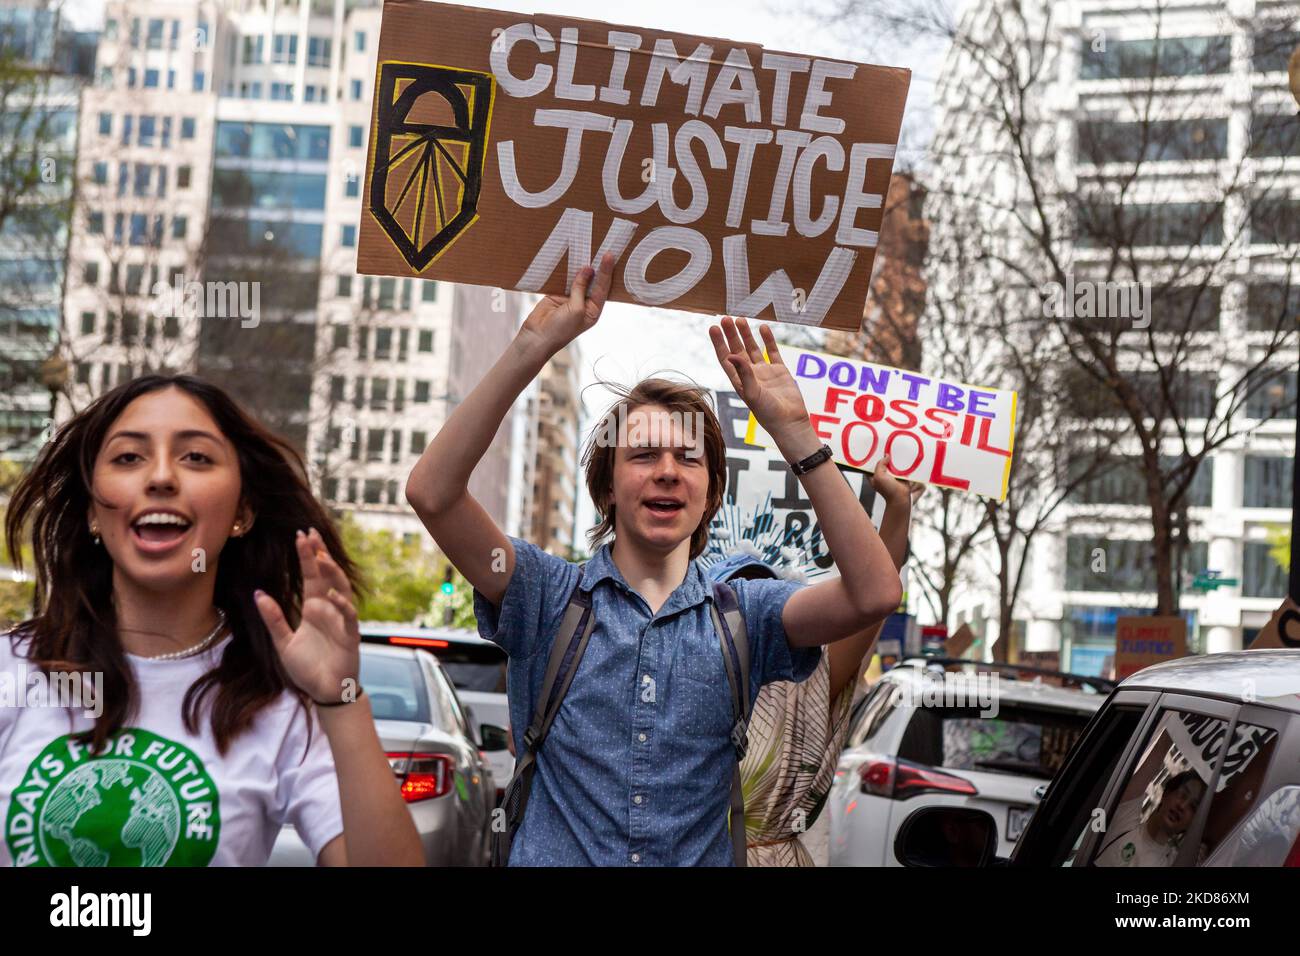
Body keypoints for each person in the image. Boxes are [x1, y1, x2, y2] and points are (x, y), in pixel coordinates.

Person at [406, 254, 902, 865]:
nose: (667, 470)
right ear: (607, 487)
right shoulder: (544, 596)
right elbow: (432, 493)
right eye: (643, 454)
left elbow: (875, 593)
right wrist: (534, 344)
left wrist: (796, 433)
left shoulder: (748, 615)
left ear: (710, 494)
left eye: (689, 458)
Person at [1, 375, 423, 867]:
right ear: (94, 510)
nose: (161, 478)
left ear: (242, 511)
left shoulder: (282, 706)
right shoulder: (14, 670)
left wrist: (342, 699)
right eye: (128, 457)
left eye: (196, 457)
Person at [708, 456, 919, 866]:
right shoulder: (681, 672)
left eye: (767, 601)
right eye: (736, 599)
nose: (750, 614)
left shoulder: (804, 686)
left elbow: (870, 603)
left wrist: (898, 508)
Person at [1094, 770, 1209, 867]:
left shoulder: (1172, 863)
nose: (1182, 806)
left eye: (1193, 807)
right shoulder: (1124, 823)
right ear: (1166, 794)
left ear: (1191, 824)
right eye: (1182, 794)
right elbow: (1160, 748)